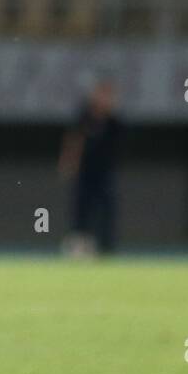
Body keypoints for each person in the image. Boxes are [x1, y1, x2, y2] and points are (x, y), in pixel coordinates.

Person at [60, 79, 120, 255]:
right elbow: (73, 141)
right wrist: (68, 162)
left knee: (107, 208)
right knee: (81, 208)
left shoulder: (114, 122)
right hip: (85, 172)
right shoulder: (84, 118)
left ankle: (106, 247)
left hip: (104, 173)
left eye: (108, 96)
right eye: (102, 95)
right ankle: (78, 245)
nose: (105, 99)